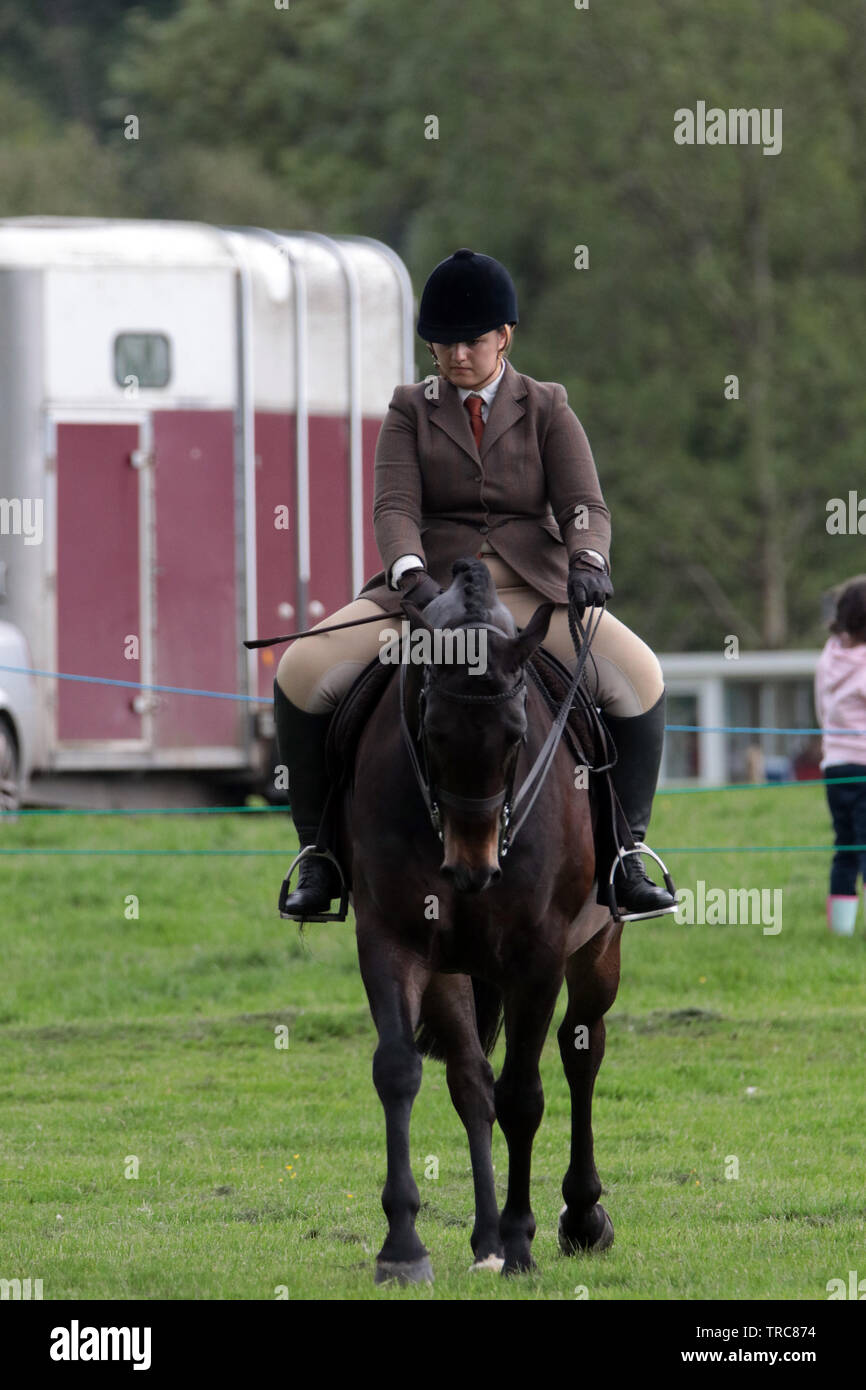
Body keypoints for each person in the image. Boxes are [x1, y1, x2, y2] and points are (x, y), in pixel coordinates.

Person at [273, 248, 677, 922]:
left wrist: (588, 561)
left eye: (470, 341)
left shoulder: (548, 407)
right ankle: (319, 857)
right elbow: (394, 509)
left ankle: (625, 855)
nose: (455, 355)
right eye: (443, 342)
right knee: (300, 670)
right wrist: (412, 580)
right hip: (430, 597)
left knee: (642, 678)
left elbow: (586, 505)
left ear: (504, 338)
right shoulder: (410, 409)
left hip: (529, 592)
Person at [815, 575, 866, 935]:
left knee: (846, 846)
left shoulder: (830, 655)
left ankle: (841, 933)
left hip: (835, 766)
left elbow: (821, 708)